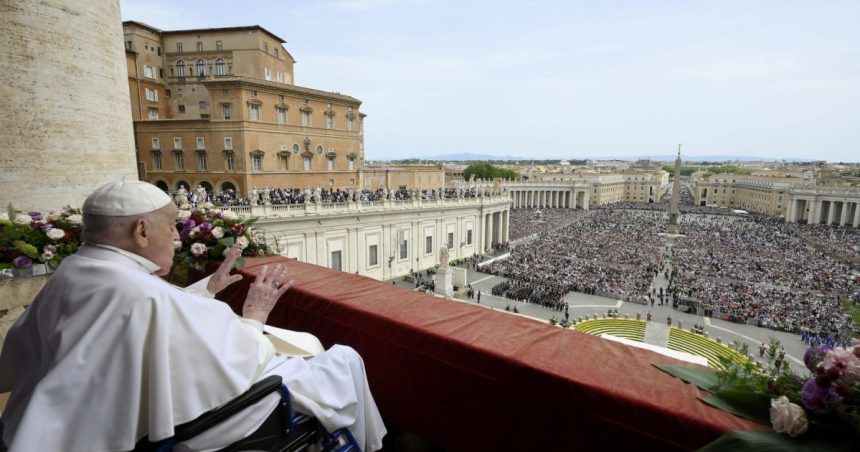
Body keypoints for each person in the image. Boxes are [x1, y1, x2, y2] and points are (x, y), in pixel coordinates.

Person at [0, 181, 385, 452]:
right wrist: (254, 314)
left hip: (69, 423)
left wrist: (208, 289)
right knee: (343, 358)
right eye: (171, 227)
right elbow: (239, 357)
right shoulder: (140, 291)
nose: (178, 237)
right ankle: (371, 444)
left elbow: (149, 316)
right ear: (140, 231)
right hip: (202, 425)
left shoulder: (78, 268)